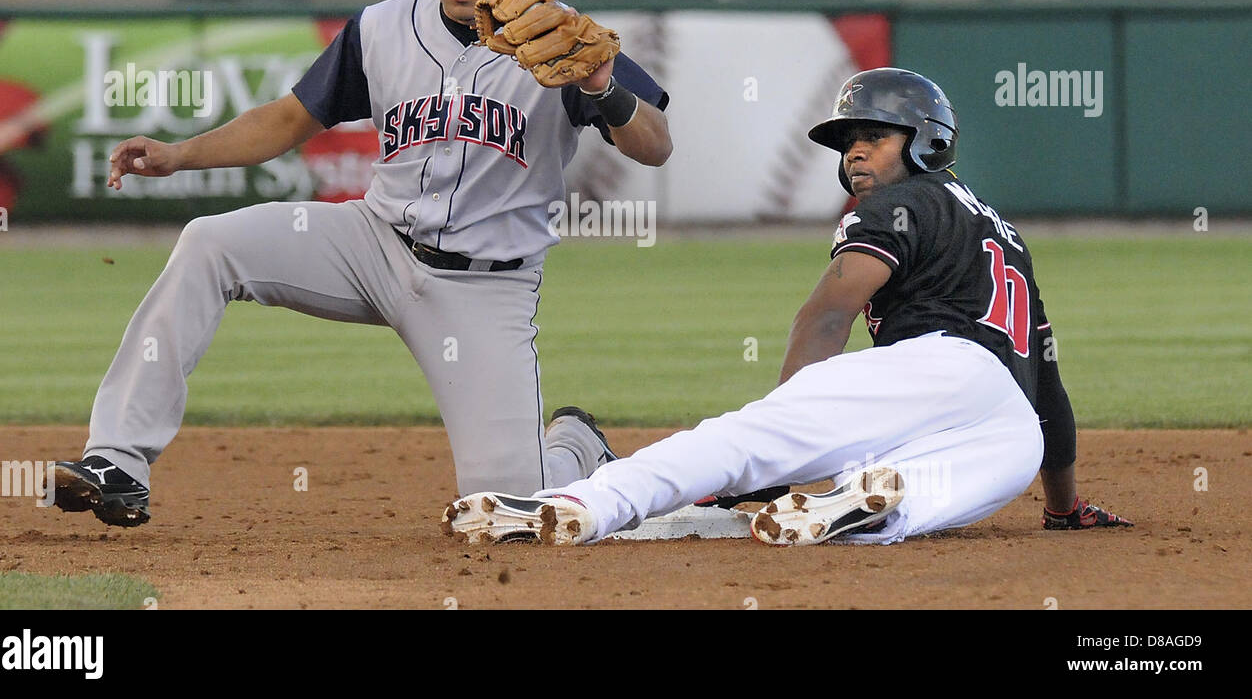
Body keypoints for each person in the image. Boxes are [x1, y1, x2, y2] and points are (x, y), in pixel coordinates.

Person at [48, 0, 673, 528]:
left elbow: (653, 146)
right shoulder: (382, 27)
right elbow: (290, 119)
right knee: (209, 243)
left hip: (483, 288)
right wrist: (181, 155)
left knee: (505, 511)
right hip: (371, 242)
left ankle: (573, 446)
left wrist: (603, 85)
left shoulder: (563, 36)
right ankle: (116, 462)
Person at [443, 67, 1131, 547]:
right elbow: (1051, 392)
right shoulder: (1001, 231)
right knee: (935, 492)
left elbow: (827, 314)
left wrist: (783, 442)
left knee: (745, 445)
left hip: (938, 368)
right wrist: (1064, 507)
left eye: (875, 135)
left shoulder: (898, 204)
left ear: (928, 140)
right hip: (1007, 420)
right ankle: (866, 504)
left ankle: (581, 503)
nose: (856, 150)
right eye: (847, 140)